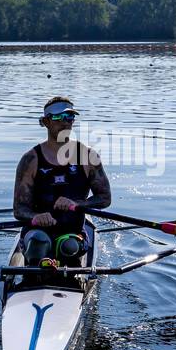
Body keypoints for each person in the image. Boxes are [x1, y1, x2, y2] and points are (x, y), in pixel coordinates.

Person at [13, 97, 112, 267]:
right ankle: (37, 270)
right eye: (59, 118)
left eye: (70, 117)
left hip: (72, 232)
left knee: (69, 247)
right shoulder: (30, 160)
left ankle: (64, 273)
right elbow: (19, 210)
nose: (66, 123)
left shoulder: (88, 157)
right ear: (46, 122)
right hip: (37, 231)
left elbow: (105, 199)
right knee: (39, 243)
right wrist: (36, 217)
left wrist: (77, 204)